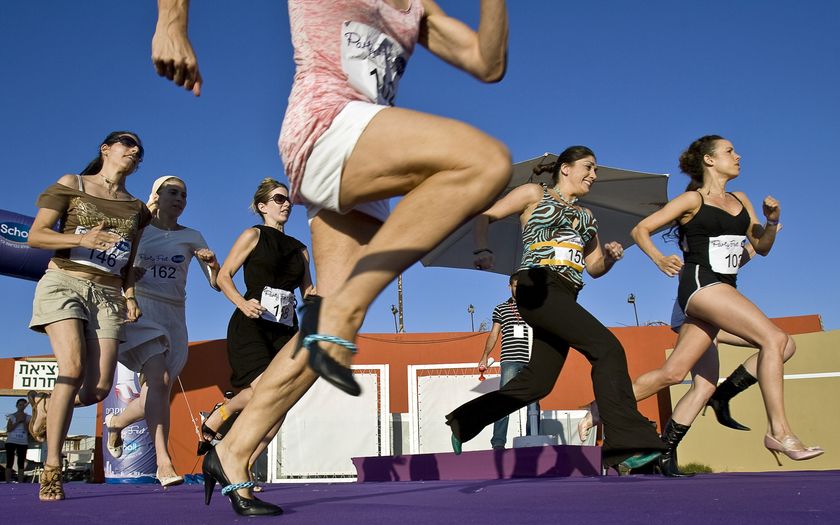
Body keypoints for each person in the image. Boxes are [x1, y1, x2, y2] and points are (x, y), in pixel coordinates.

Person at [152, 0, 511, 516]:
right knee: (486, 161)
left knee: (321, 334)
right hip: (326, 125)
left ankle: (232, 451)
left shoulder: (418, 7)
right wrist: (172, 24)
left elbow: (487, 64)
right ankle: (345, 306)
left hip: (365, 155)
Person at [445, 146, 667, 472]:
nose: (593, 175)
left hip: (565, 293)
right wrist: (482, 247)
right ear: (565, 168)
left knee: (539, 383)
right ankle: (629, 443)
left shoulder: (587, 217)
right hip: (536, 283)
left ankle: (465, 421)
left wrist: (609, 257)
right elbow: (485, 216)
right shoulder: (534, 193)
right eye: (588, 168)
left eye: (595, 171)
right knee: (607, 349)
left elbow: (593, 267)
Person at [627, 134, 822, 467]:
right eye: (730, 151)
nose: (739, 155)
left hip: (724, 289)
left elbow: (761, 247)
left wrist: (772, 222)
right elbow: (641, 229)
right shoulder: (691, 201)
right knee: (774, 339)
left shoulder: (741, 199)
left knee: (681, 373)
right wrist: (660, 259)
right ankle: (780, 431)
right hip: (701, 287)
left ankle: (605, 410)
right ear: (709, 160)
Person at [578, 236, 797, 476]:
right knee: (674, 373)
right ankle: (600, 408)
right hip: (698, 307)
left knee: (776, 347)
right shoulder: (703, 229)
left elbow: (737, 259)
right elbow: (695, 265)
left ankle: (670, 447)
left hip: (717, 311)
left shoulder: (732, 234)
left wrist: (767, 232)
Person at [26, 131, 151, 501]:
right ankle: (52, 469)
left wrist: (130, 293)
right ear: (106, 149)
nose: (134, 151)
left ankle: (48, 403)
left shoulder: (136, 207)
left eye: (139, 149)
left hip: (109, 294)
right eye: (127, 143)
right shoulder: (72, 183)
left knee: (97, 388)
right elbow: (36, 236)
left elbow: (129, 259)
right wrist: (80, 240)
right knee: (72, 368)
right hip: (65, 281)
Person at [102, 175, 221, 488]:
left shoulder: (193, 235)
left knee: (157, 392)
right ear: (156, 195)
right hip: (140, 308)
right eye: (173, 192)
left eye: (184, 194)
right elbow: (112, 263)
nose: (180, 198)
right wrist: (130, 272)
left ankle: (115, 423)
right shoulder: (139, 229)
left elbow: (214, 283)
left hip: (174, 314)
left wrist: (213, 264)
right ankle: (163, 461)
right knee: (160, 380)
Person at [198, 178, 313, 483]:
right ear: (263, 207)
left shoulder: (300, 250)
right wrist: (242, 302)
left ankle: (243, 464)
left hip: (286, 331)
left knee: (281, 404)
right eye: (278, 199)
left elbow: (308, 290)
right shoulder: (253, 235)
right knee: (267, 391)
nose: (286, 204)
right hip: (252, 324)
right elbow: (224, 276)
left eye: (288, 200)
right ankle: (222, 418)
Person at [479, 275, 539, 449]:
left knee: (533, 402)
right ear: (509, 287)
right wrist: (485, 355)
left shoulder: (533, 307)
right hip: (510, 360)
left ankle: (532, 440)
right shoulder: (501, 309)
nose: (517, 289)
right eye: (514, 285)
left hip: (530, 360)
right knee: (504, 400)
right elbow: (493, 334)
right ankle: (498, 443)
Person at [5, 398, 31, 483]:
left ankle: (20, 482)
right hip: (11, 441)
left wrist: (24, 422)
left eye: (23, 405)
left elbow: (28, 431)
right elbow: (9, 429)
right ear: (17, 406)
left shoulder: (28, 417)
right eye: (20, 405)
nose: (22, 406)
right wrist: (17, 422)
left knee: (21, 462)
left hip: (22, 441)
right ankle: (8, 481)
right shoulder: (12, 417)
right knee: (10, 461)